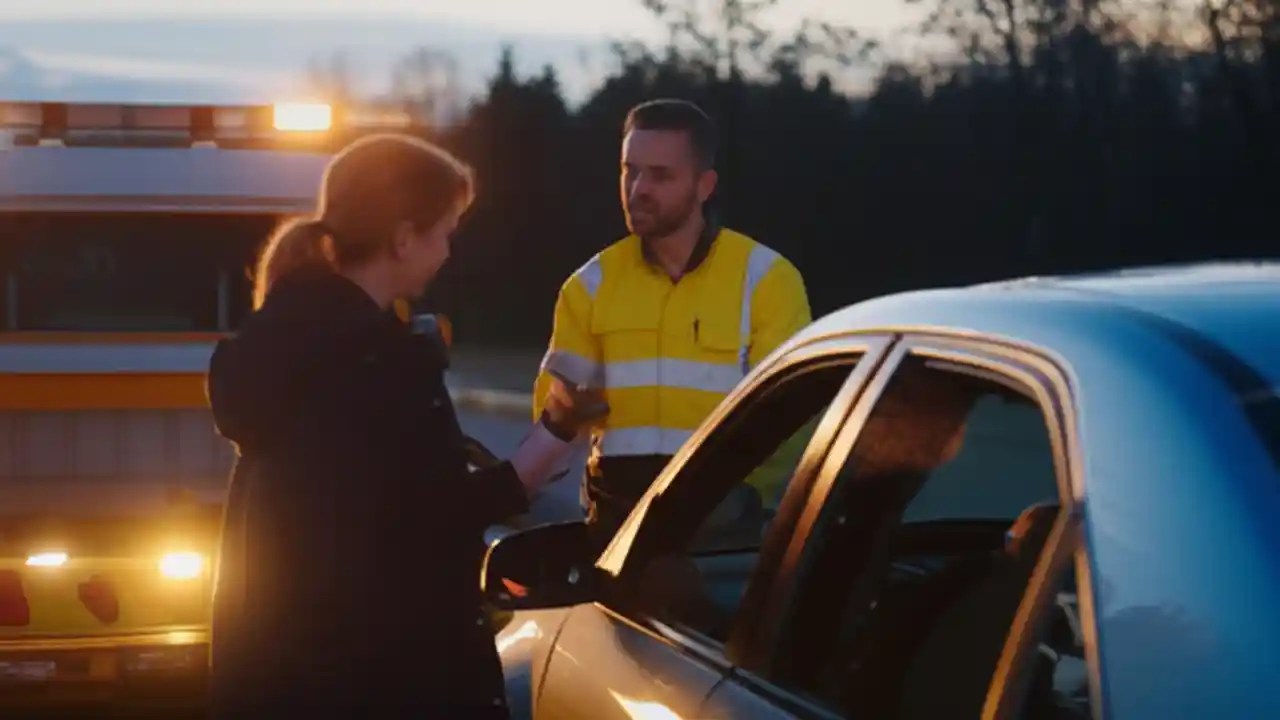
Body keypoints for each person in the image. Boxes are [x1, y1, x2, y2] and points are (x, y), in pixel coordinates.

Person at [205, 133, 593, 718]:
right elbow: (434, 517)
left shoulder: (280, 341)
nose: (448, 251)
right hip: (382, 683)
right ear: (403, 237)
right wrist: (557, 433)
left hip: (276, 679)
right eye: (445, 232)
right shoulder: (378, 361)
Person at [532, 99, 812, 550]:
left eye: (660, 175)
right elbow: (553, 434)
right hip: (615, 543)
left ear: (704, 186)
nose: (638, 188)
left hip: (725, 547)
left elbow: (793, 425)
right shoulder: (588, 286)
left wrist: (732, 507)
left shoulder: (767, 280)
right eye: (630, 171)